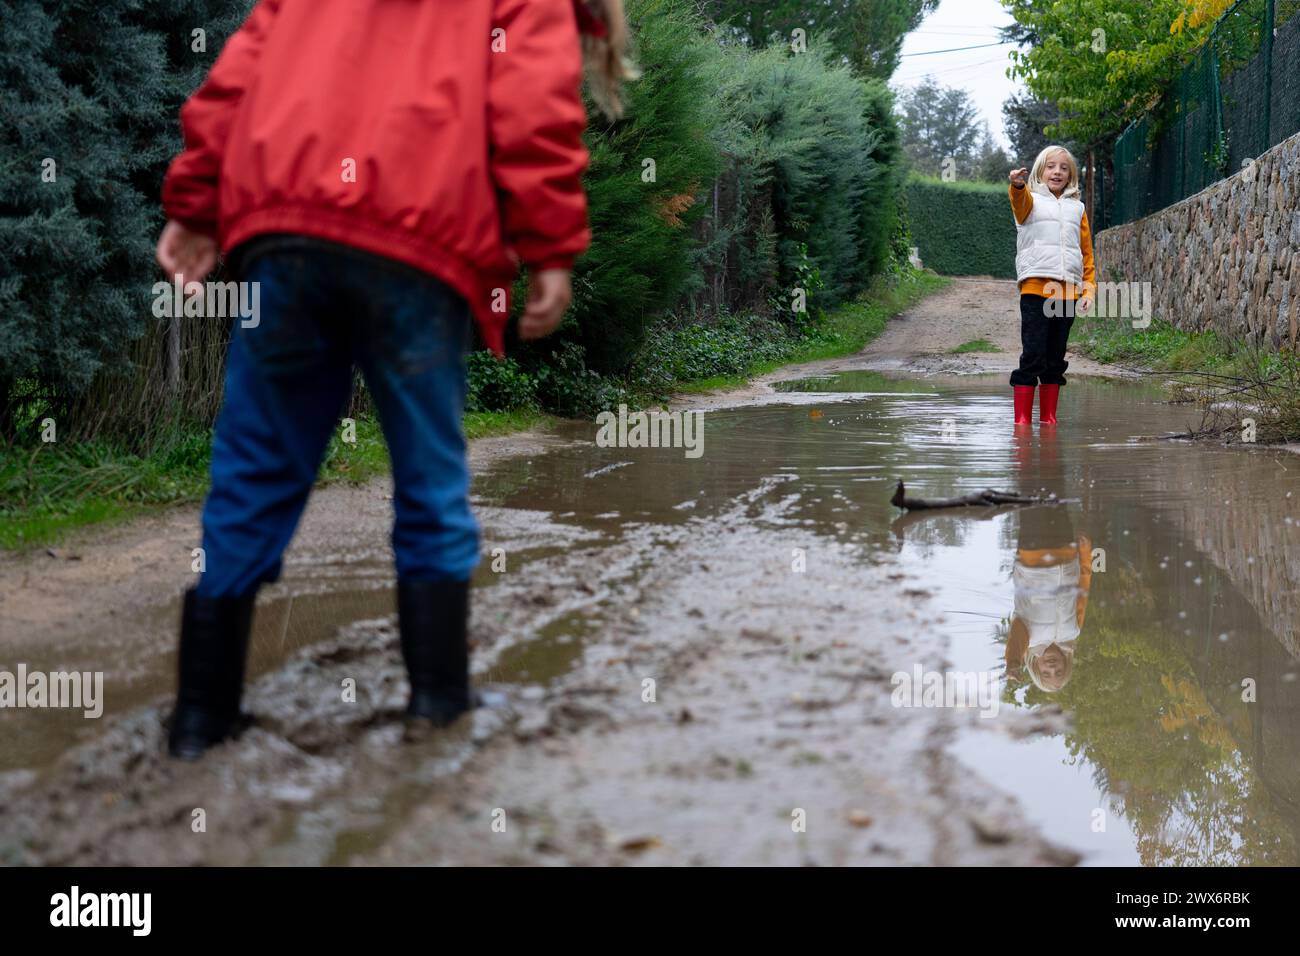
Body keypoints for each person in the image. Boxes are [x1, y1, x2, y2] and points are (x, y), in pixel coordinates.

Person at [155, 0, 632, 760]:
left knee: (252, 470)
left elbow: (233, 83)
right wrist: (549, 248)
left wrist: (195, 205)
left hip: (287, 238)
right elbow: (531, 114)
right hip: (421, 243)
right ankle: (438, 704)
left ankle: (199, 721)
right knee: (429, 474)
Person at [1007, 146, 1096, 427]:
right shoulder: (1029, 200)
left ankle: (1048, 419)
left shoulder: (1077, 208)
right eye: (1051, 166)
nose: (1057, 172)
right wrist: (1017, 186)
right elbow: (1019, 206)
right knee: (1033, 354)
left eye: (1064, 168)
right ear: (1039, 171)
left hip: (1066, 293)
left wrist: (1088, 289)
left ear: (1071, 175)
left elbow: (1086, 254)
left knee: (1055, 357)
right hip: (1036, 289)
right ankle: (1021, 422)